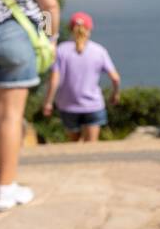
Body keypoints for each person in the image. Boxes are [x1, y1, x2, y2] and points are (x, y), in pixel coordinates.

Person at [0, 0, 59, 211]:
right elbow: (49, 6)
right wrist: (51, 38)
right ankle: (5, 188)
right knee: (9, 117)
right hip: (16, 44)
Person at [41, 12, 120, 142]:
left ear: (70, 28)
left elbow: (54, 80)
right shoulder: (99, 51)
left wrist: (48, 102)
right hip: (93, 105)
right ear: (90, 29)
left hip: (68, 105)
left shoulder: (61, 50)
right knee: (91, 147)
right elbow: (115, 78)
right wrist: (115, 94)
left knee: (74, 146)